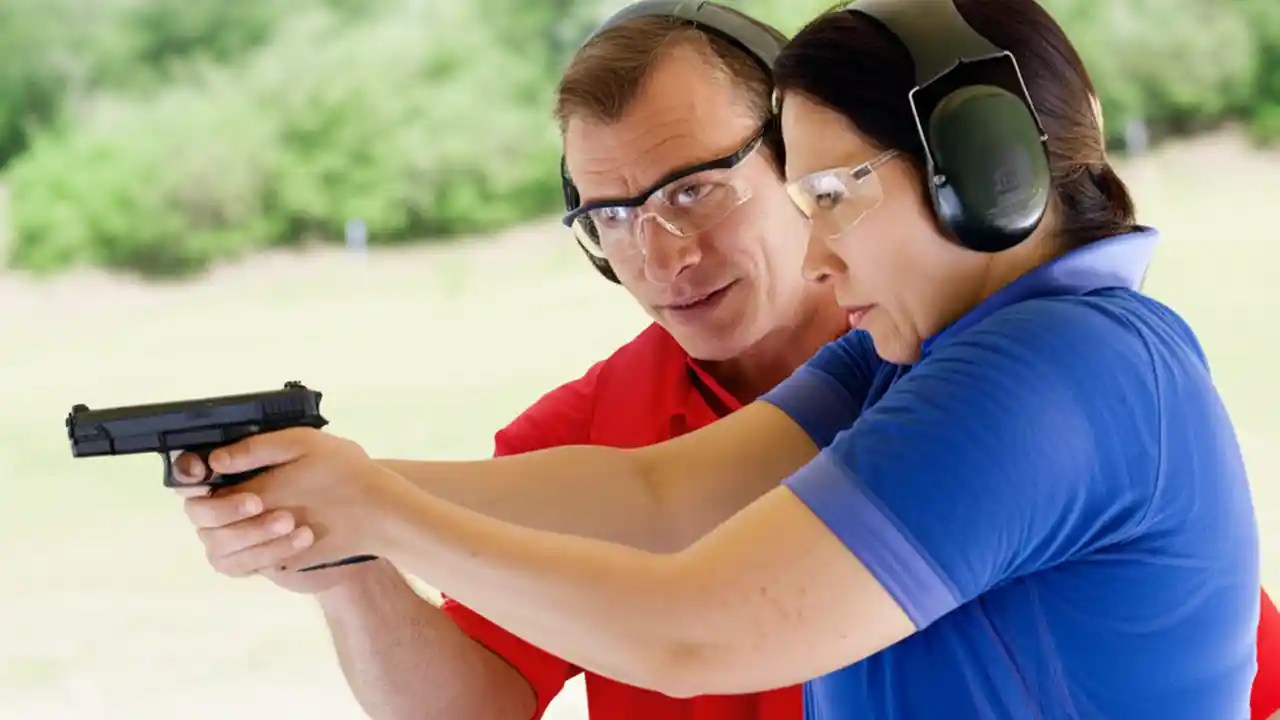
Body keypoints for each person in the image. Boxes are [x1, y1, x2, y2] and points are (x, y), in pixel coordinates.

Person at [173, 1, 1280, 718]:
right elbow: (654, 494)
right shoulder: (915, 358)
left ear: (979, 171)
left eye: (833, 195)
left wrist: (380, 511)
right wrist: (329, 480)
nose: (817, 241)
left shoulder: (1053, 374)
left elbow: (693, 632)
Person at [176, 3, 838, 719]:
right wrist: (346, 564)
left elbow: (662, 514)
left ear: (803, 152)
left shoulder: (929, 366)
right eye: (610, 216)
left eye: (694, 191)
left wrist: (365, 496)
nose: (663, 259)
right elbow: (474, 705)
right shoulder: (570, 436)